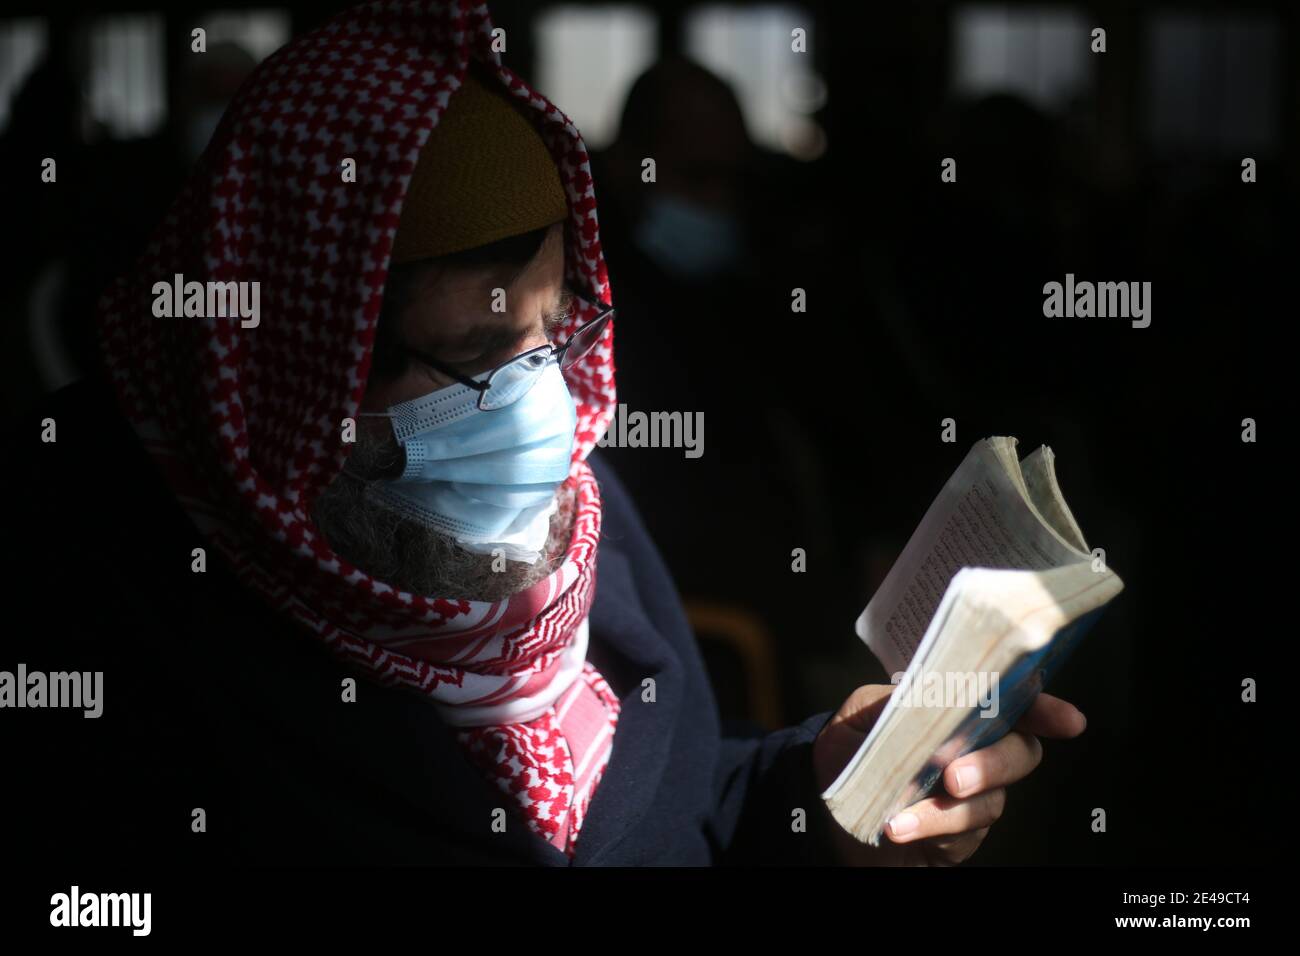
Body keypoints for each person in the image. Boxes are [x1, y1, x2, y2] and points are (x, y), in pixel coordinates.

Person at [4, 0, 1083, 866]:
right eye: (474, 352)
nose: (546, 410)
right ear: (296, 357)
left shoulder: (571, 514)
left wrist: (817, 791)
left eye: (554, 327)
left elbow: (686, 797)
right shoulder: (96, 603)